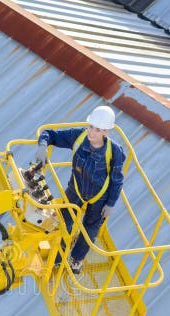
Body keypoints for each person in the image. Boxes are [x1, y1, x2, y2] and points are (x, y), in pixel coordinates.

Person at [35, 105, 126, 274]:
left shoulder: (114, 152)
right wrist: (42, 146)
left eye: (97, 130)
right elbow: (50, 134)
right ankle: (57, 257)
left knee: (90, 230)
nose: (92, 132)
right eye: (91, 126)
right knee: (65, 223)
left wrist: (111, 203)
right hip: (76, 189)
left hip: (99, 197)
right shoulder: (78, 136)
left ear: (106, 131)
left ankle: (76, 259)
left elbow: (117, 180)